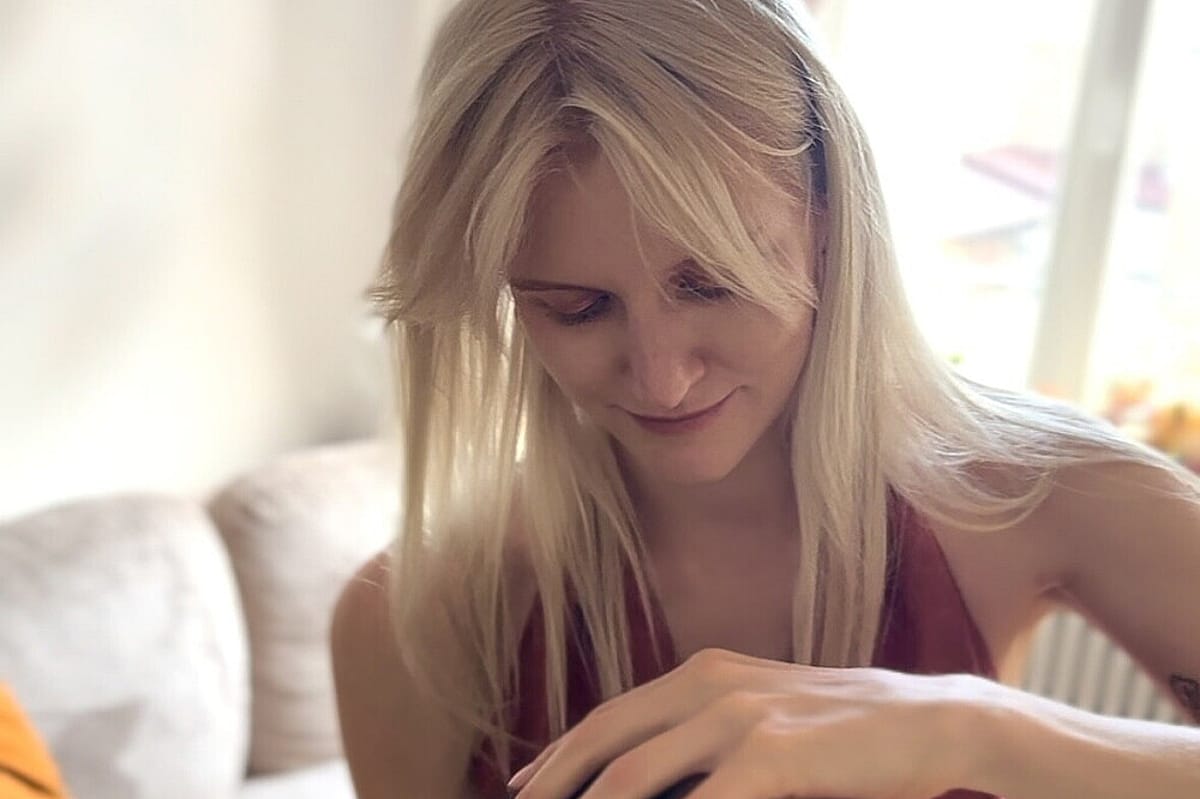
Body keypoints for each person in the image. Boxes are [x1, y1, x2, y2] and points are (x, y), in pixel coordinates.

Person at [330, 1, 1200, 797]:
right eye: (576, 308)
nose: (661, 377)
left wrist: (971, 730)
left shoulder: (1048, 497)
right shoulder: (423, 611)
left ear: (830, 223)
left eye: (713, 283)